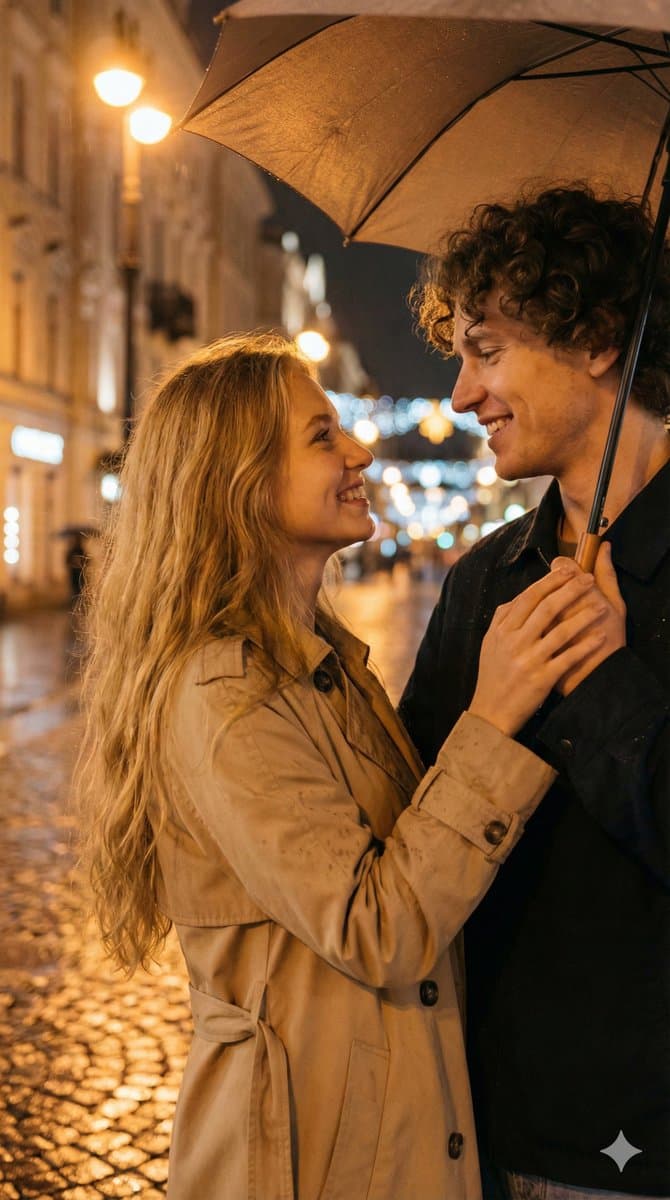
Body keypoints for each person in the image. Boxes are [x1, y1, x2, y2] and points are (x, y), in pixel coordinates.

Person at [78, 332, 608, 1200]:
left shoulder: (317, 662)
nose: (362, 448)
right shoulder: (223, 692)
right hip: (307, 1157)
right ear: (238, 481)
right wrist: (495, 714)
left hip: (372, 1131)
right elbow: (380, 928)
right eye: (322, 435)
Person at [400, 186, 670, 1200]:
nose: (462, 396)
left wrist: (603, 681)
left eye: (488, 350)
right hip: (484, 1125)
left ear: (599, 337)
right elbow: (415, 822)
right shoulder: (486, 579)